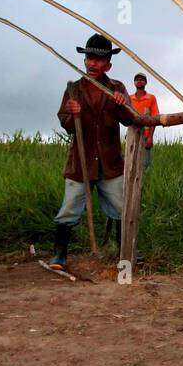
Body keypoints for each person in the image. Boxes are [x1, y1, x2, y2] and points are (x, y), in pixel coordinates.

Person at [49, 34, 136, 269]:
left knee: (120, 208)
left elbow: (131, 120)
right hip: (80, 163)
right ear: (85, 60)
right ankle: (59, 255)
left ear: (108, 64)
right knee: (68, 209)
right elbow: (66, 123)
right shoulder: (74, 89)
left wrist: (123, 104)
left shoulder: (117, 88)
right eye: (89, 58)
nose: (92, 64)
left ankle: (123, 254)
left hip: (110, 163)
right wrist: (72, 113)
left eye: (99, 60)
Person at [128, 73, 158, 171]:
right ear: (134, 82)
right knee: (131, 164)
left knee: (144, 165)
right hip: (132, 134)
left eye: (142, 79)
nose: (139, 81)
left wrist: (150, 137)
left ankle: (145, 185)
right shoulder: (129, 98)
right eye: (137, 80)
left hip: (145, 135)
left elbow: (154, 118)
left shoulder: (151, 98)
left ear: (145, 82)